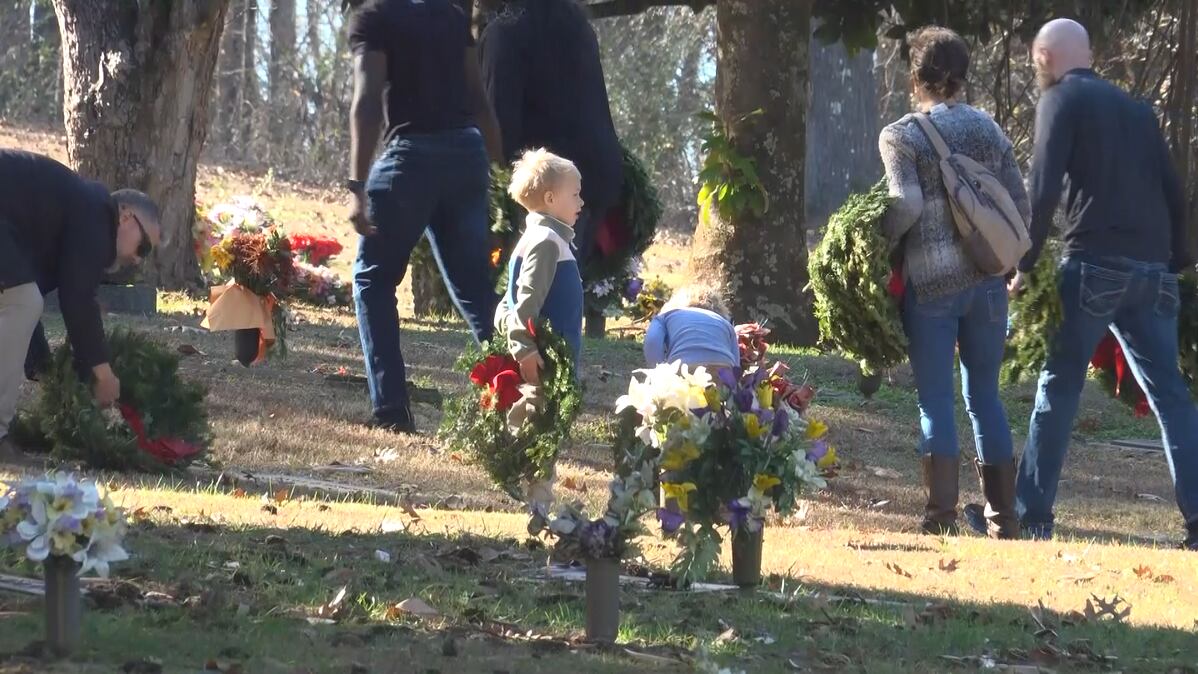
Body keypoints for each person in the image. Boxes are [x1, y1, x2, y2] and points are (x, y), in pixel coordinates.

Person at [1004, 19, 1198, 549]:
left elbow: (1042, 189)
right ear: (1088, 53)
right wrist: (1178, 260)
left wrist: (1024, 263)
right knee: (1172, 399)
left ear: (1044, 57)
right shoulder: (1139, 110)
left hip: (1092, 265)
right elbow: (1174, 190)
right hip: (1154, 271)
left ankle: (1033, 516)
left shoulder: (1060, 101)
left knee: (1058, 388)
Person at [878, 27, 1031, 537]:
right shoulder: (990, 130)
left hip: (932, 285)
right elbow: (1019, 208)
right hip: (988, 284)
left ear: (914, 77)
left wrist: (879, 241)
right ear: (963, 77)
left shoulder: (901, 135)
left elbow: (906, 205)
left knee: (936, 400)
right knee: (985, 395)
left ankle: (941, 517)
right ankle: (1004, 518)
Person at [346, 0, 505, 434]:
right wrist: (501, 175)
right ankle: (519, 395)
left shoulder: (374, 18)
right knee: (474, 289)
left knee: (373, 280)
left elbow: (366, 102)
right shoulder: (450, 16)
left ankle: (392, 411)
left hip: (410, 160)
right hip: (467, 156)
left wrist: (357, 187)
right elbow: (478, 101)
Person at [0, 149, 162, 457]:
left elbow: (25, 301)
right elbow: (77, 300)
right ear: (126, 215)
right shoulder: (97, 215)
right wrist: (103, 374)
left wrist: (44, 369)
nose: (138, 260)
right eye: (144, 247)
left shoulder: (71, 211)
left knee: (19, 301)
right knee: (23, 302)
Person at [476, 0, 623, 270]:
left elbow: (497, 123)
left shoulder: (504, 34)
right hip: (589, 176)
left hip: (543, 184)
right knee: (564, 280)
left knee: (537, 289)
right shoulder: (579, 28)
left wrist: (494, 190)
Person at [494, 148, 585, 380]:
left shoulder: (536, 237)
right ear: (550, 198)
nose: (581, 202)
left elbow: (507, 303)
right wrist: (524, 348)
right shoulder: (547, 241)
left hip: (548, 361)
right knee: (535, 414)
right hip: (546, 365)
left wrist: (509, 327)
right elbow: (527, 298)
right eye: (575, 194)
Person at [643, 285, 738, 373]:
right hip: (723, 370)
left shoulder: (666, 315)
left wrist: (657, 371)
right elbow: (736, 363)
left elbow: (652, 340)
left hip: (684, 366)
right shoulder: (725, 323)